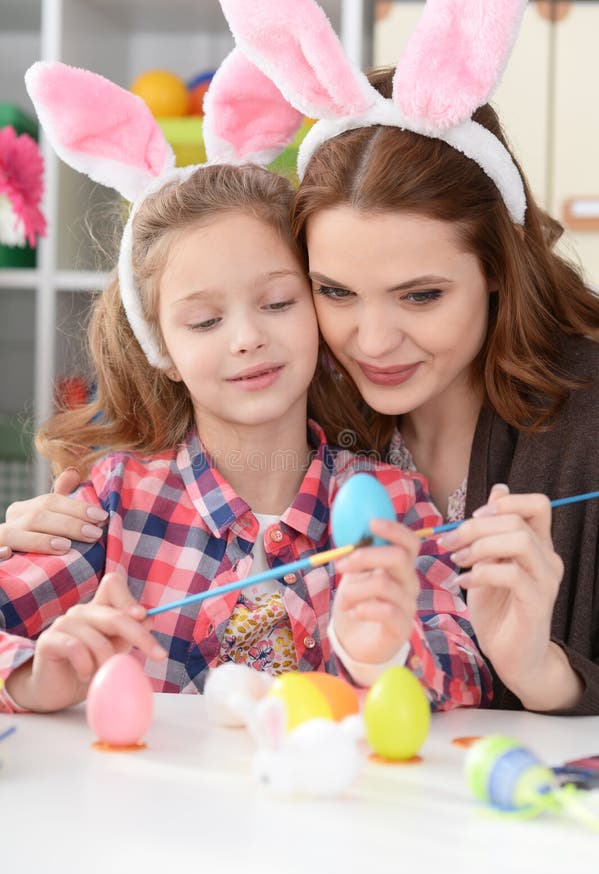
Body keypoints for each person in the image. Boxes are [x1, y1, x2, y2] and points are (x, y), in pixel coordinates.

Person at [0, 58, 491, 714]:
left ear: (318, 309)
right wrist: (33, 677)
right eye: (205, 321)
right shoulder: (116, 503)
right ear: (163, 350)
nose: (246, 338)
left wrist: (380, 652)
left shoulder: (391, 503)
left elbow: (466, 664)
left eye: (278, 303)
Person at [219, 0, 599, 713]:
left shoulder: (589, 423)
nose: (371, 342)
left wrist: (544, 673)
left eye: (420, 296)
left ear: (498, 267)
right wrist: (63, 531)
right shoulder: (296, 394)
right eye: (335, 291)